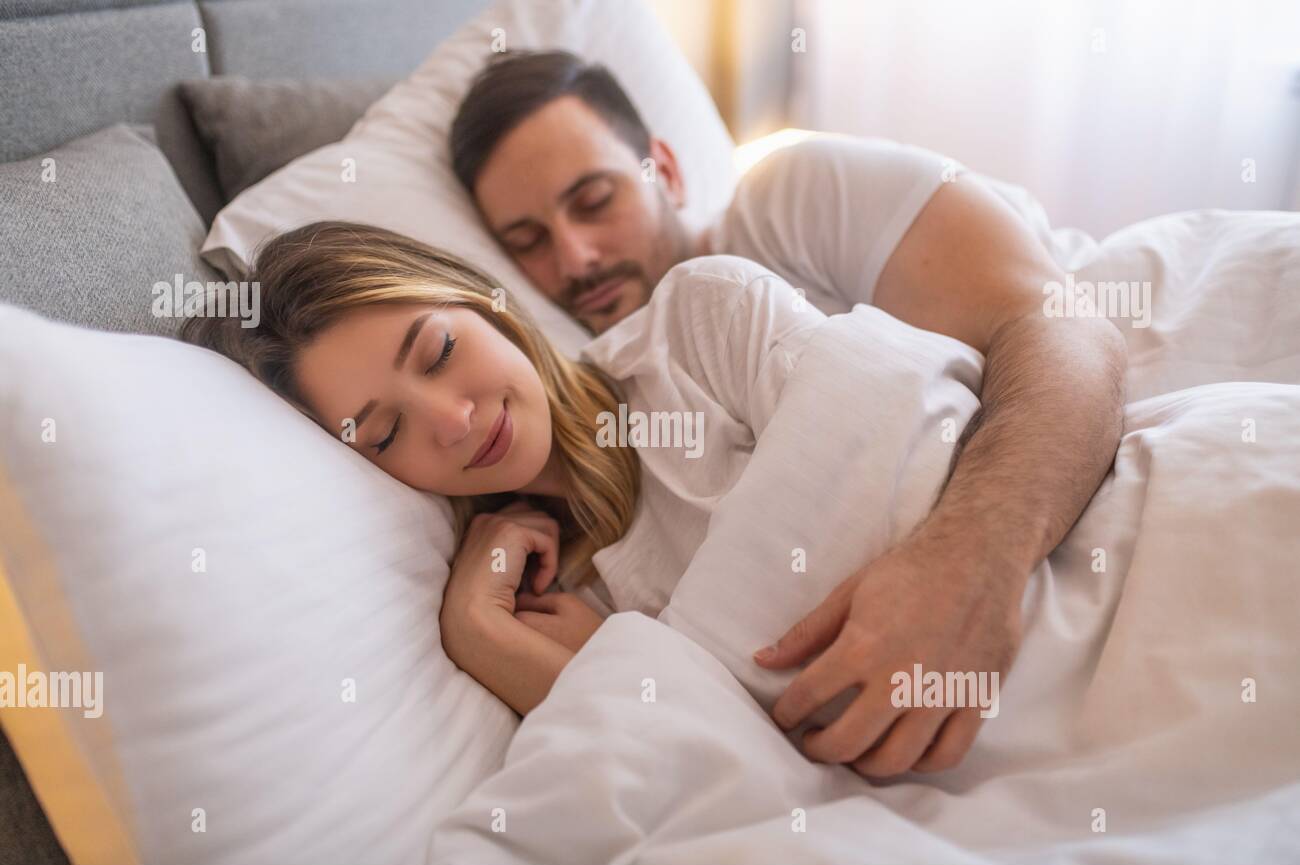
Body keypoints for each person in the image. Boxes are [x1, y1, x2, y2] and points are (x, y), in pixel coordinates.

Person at [447, 50, 1128, 775]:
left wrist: (968, 563)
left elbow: (1068, 327)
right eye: (529, 243)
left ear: (667, 174)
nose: (576, 258)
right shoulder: (603, 418)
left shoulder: (784, 203)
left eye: (593, 202)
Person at [182, 221, 983, 776]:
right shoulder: (547, 605)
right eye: (386, 436)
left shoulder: (696, 333)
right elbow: (709, 774)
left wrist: (639, 656)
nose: (455, 422)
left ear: (479, 298)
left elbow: (915, 434)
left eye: (441, 351)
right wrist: (480, 632)